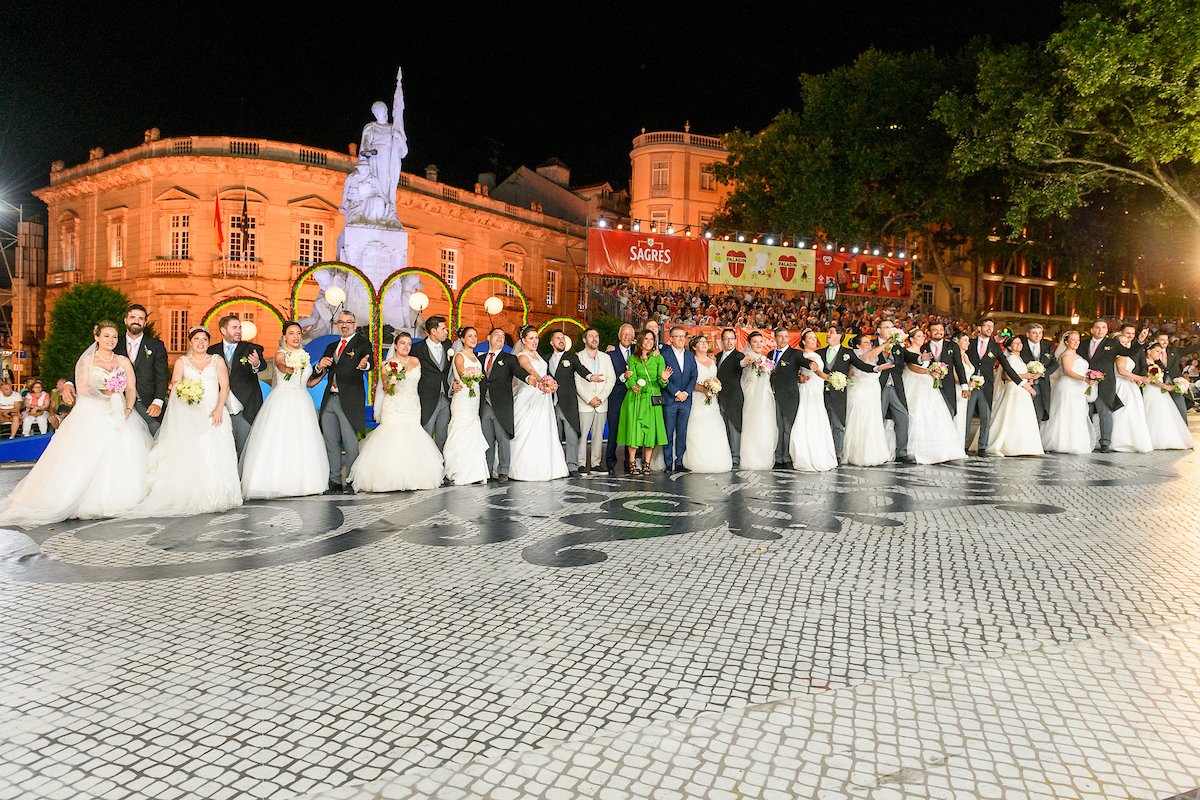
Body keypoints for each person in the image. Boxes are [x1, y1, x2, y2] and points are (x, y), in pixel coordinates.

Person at [0, 321, 151, 526]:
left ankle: (117, 498)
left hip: (117, 412)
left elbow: (131, 388)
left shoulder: (123, 361)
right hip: (91, 411)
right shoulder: (87, 360)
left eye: (114, 337)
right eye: (106, 336)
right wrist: (106, 391)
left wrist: (127, 408)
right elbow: (83, 388)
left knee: (122, 450)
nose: (111, 340)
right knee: (83, 454)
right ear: (97, 337)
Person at [131, 326, 242, 517]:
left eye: (204, 339)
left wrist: (218, 409)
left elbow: (224, 386)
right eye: (197, 339)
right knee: (193, 452)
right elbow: (175, 385)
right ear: (190, 342)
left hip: (213, 411)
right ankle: (194, 494)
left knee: (216, 450)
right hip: (189, 412)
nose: (200, 343)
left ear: (208, 342)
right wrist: (185, 394)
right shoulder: (182, 361)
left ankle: (219, 494)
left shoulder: (217, 361)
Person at [239, 321, 329, 499]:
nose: (296, 337)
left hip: (302, 400)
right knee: (281, 440)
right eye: (291, 333)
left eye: (298, 333)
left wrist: (323, 372)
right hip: (283, 400)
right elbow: (280, 365)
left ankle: (303, 483)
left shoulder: (304, 355)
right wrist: (289, 367)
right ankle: (273, 482)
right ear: (284, 337)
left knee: (302, 442)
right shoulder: (281, 353)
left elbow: (309, 382)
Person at [348, 332, 445, 492]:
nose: (406, 347)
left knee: (412, 437)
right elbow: (385, 388)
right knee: (392, 437)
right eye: (402, 343)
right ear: (395, 345)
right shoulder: (387, 364)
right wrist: (390, 382)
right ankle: (390, 479)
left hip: (413, 405)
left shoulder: (416, 361)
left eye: (408, 344)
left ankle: (414, 477)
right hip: (394, 405)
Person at [309, 310, 375, 493]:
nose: (344, 325)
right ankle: (334, 480)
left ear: (354, 324)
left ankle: (353, 479)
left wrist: (365, 365)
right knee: (330, 441)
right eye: (341, 322)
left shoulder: (362, 344)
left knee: (350, 442)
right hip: (330, 398)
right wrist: (319, 366)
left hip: (350, 399)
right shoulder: (331, 346)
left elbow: (371, 363)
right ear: (337, 325)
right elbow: (320, 371)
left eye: (348, 322)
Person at [509, 326, 569, 481]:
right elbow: (530, 370)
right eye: (531, 338)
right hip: (528, 397)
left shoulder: (539, 356)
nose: (535, 341)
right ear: (523, 340)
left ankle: (547, 467)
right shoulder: (522, 356)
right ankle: (523, 469)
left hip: (543, 398)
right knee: (525, 431)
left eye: (536, 338)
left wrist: (548, 383)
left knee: (544, 431)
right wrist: (542, 380)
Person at [479, 327, 537, 482]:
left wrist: (529, 378)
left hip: (502, 405)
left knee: (503, 439)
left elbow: (518, 371)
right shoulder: (480, 359)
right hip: (484, 405)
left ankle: (503, 470)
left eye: (503, 336)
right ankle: (487, 470)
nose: (500, 337)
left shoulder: (509, 358)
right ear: (488, 337)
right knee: (486, 440)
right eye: (497, 335)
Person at [901, 329, 965, 464]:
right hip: (914, 383)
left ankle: (937, 446)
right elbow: (913, 367)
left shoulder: (923, 349)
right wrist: (929, 371)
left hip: (927, 384)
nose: (921, 338)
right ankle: (912, 447)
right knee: (916, 413)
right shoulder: (908, 351)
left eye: (922, 335)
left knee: (933, 413)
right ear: (911, 339)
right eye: (918, 336)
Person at [965, 319, 1027, 456]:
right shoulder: (970, 343)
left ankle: (982, 447)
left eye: (991, 327)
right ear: (980, 328)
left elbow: (1007, 367)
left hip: (986, 386)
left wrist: (1022, 383)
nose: (989, 328)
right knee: (967, 416)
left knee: (986, 417)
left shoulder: (995, 347)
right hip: (970, 384)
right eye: (986, 326)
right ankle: (963, 445)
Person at [548, 331, 605, 477]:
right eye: (558, 338)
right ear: (551, 343)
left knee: (571, 436)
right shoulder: (545, 358)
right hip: (550, 404)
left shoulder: (571, 357)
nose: (561, 340)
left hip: (568, 403)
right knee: (554, 437)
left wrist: (590, 376)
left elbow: (580, 369)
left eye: (563, 338)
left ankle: (572, 466)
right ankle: (556, 466)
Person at [208, 315, 267, 455]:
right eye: (234, 328)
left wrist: (256, 364)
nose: (239, 331)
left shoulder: (251, 348)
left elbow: (262, 365)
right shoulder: (211, 351)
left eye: (240, 327)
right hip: (220, 408)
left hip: (245, 406)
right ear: (223, 330)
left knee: (244, 449)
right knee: (221, 449)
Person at [980, 336, 1044, 457]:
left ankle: (1023, 445)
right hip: (1014, 389)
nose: (1018, 345)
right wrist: (1026, 375)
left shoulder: (1019, 359)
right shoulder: (1010, 358)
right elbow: (1007, 376)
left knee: (1022, 417)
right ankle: (1008, 445)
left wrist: (1030, 378)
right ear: (1009, 346)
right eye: (1015, 343)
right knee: (1011, 415)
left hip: (1022, 390)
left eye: (1020, 343)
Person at [617, 328, 670, 475]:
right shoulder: (633, 358)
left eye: (652, 339)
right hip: (636, 398)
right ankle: (632, 462)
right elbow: (630, 376)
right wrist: (632, 385)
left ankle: (646, 463)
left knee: (650, 432)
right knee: (634, 431)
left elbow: (661, 381)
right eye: (646, 339)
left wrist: (664, 378)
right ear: (640, 341)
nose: (649, 342)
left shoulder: (658, 358)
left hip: (652, 398)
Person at [443, 327, 490, 485]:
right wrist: (472, 376)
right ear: (463, 339)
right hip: (463, 397)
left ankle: (475, 471)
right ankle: (459, 469)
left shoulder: (477, 358)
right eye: (470, 336)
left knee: (473, 430)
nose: (473, 339)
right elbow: (463, 375)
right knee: (461, 428)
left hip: (474, 398)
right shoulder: (459, 356)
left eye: (475, 336)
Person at [112, 304, 169, 435]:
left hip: (147, 403)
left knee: (155, 435)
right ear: (126, 320)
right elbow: (95, 362)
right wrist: (70, 382)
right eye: (133, 317)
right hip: (119, 402)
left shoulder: (156, 345)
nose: (136, 321)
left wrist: (158, 402)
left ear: (145, 322)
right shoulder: (114, 343)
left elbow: (162, 375)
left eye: (141, 318)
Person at [789, 330, 837, 472]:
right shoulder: (806, 356)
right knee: (810, 418)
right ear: (803, 341)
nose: (813, 340)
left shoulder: (816, 354)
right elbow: (818, 373)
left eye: (814, 338)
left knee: (817, 418)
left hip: (817, 390)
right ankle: (809, 455)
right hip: (809, 390)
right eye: (810, 338)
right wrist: (834, 379)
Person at [682, 334, 732, 472]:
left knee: (714, 427)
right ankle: (697, 460)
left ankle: (715, 459)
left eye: (705, 342)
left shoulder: (712, 361)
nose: (704, 344)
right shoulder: (692, 361)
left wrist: (715, 386)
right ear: (694, 346)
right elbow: (689, 381)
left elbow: (715, 378)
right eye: (700, 342)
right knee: (697, 428)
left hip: (712, 401)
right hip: (698, 399)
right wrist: (703, 389)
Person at [843, 334, 894, 467]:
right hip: (860, 392)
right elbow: (866, 359)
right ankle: (857, 453)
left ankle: (874, 451)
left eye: (869, 342)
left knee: (873, 420)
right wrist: (884, 344)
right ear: (858, 346)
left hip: (872, 392)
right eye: (865, 343)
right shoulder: (857, 355)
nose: (869, 344)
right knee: (861, 420)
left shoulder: (873, 354)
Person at [1040, 331, 1094, 455]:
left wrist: (1090, 375)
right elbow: (1068, 371)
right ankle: (1062, 441)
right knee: (1065, 412)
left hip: (1078, 389)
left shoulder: (1077, 356)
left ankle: (1075, 441)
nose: (1076, 343)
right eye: (1073, 340)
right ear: (1066, 342)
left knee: (1077, 413)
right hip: (1068, 387)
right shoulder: (1066, 355)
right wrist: (1085, 379)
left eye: (1078, 340)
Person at [873, 319, 917, 463]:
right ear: (879, 330)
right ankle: (875, 450)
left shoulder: (897, 345)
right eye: (886, 327)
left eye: (892, 327)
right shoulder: (872, 345)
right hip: (879, 386)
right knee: (877, 418)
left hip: (896, 386)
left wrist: (921, 358)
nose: (890, 330)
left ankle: (902, 452)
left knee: (903, 417)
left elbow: (908, 356)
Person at [574, 327, 616, 475]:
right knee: (582, 435)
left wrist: (601, 398)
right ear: (584, 339)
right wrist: (589, 399)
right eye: (591, 336)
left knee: (598, 435)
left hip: (601, 403)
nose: (594, 338)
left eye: (596, 336)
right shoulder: (578, 357)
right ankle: (580, 464)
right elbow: (577, 382)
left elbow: (611, 379)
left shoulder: (606, 357)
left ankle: (595, 464)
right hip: (585, 403)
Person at [1081, 319, 1125, 453]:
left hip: (1105, 383)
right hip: (1085, 382)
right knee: (1085, 412)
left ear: (1107, 330)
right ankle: (1085, 440)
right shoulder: (1082, 344)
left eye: (1103, 327)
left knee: (1105, 412)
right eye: (1097, 327)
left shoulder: (1113, 344)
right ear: (1092, 330)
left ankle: (1105, 442)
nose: (1100, 330)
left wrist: (1140, 341)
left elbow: (1129, 352)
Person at [411, 315, 454, 450]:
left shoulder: (448, 345)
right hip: (427, 396)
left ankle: (440, 464)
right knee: (426, 432)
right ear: (434, 331)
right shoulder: (417, 348)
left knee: (443, 434)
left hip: (446, 396)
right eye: (443, 329)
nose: (446, 332)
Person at [1141, 341, 1194, 450]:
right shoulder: (1147, 364)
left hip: (1158, 393)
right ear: (1149, 351)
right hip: (1151, 391)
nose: (1159, 354)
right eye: (1157, 351)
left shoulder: (1155, 364)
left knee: (1162, 414)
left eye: (1160, 352)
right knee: (1153, 413)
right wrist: (1166, 387)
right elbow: (1152, 380)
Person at [738, 331, 779, 470]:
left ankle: (764, 455)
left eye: (760, 341)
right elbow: (744, 367)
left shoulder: (765, 358)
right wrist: (747, 363)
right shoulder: (749, 357)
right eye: (755, 342)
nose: (758, 344)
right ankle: (751, 457)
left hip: (765, 395)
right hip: (753, 395)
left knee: (766, 423)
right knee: (752, 423)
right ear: (749, 344)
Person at [1109, 327, 1153, 453]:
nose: (1125, 343)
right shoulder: (1120, 355)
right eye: (1122, 342)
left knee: (1130, 413)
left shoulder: (1122, 353)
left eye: (1126, 342)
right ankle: (1122, 441)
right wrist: (1140, 378)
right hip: (1123, 386)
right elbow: (1122, 371)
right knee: (1124, 412)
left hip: (1128, 385)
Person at [660, 326, 698, 472]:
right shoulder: (665, 355)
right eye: (678, 336)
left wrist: (686, 393)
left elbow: (693, 376)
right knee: (668, 432)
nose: (682, 339)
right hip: (670, 400)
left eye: (683, 336)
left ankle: (680, 462)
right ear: (671, 339)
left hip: (686, 401)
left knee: (682, 432)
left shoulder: (690, 356)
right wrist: (676, 392)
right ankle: (668, 463)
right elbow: (662, 377)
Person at [768, 326, 803, 468]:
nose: (783, 339)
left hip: (789, 396)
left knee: (788, 427)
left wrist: (811, 365)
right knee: (777, 427)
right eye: (780, 336)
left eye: (786, 336)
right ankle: (778, 457)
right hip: (773, 395)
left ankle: (788, 457)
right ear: (775, 338)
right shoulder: (770, 354)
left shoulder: (795, 353)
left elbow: (803, 362)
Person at [605, 323, 636, 475]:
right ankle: (610, 463)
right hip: (616, 398)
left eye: (630, 334)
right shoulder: (610, 354)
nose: (627, 337)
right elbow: (608, 376)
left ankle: (629, 463)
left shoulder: (638, 353)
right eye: (624, 334)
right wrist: (623, 377)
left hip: (633, 398)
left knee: (631, 431)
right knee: (614, 431)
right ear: (619, 335)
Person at [921, 322, 968, 418]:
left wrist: (964, 386)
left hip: (948, 386)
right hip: (929, 387)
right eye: (935, 330)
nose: (938, 332)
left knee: (949, 413)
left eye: (941, 330)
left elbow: (959, 366)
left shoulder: (952, 346)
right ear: (929, 332)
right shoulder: (923, 347)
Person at [714, 328, 745, 468]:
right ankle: (725, 455)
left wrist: (745, 363)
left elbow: (741, 364)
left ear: (735, 340)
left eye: (732, 338)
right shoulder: (718, 356)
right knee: (723, 428)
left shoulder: (739, 356)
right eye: (726, 338)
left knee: (734, 427)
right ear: (722, 341)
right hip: (719, 397)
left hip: (733, 397)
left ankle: (735, 457)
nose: (729, 341)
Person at [1015, 323, 1057, 424]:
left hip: (1042, 384)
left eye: (1039, 333)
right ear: (1028, 334)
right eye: (1034, 333)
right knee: (1024, 412)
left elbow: (1054, 364)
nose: (1037, 335)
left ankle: (1035, 436)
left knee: (1039, 412)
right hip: (1024, 384)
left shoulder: (1047, 346)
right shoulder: (1021, 346)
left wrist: (1042, 373)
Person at [951, 332, 976, 447]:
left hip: (966, 390)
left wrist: (974, 382)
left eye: (968, 340)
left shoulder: (966, 355)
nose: (968, 342)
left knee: (962, 418)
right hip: (957, 389)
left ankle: (960, 445)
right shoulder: (954, 355)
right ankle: (953, 444)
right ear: (957, 341)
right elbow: (955, 374)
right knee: (957, 417)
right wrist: (966, 384)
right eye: (965, 340)